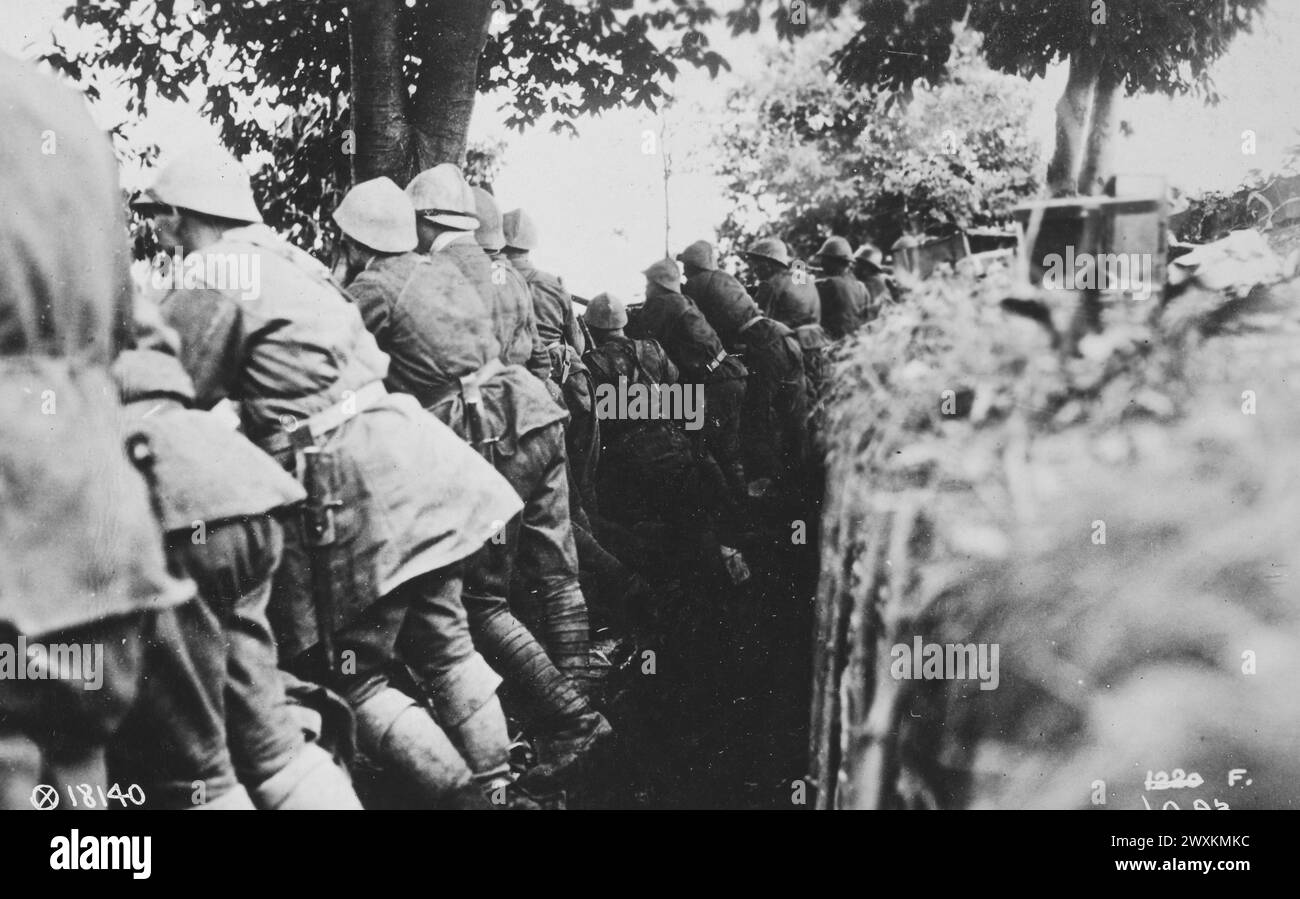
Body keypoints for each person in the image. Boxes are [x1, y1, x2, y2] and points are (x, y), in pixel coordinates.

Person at [133, 149, 525, 808]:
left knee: (350, 674)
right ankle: (504, 793)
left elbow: (175, 396)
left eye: (159, 218)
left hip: (344, 478)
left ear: (180, 215)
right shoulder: (293, 261)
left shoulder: (214, 270)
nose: (156, 232)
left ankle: (465, 801)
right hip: (407, 452)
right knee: (446, 643)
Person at [334, 178, 612, 790]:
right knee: (555, 569)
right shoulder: (496, 269)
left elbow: (330, 349)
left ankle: (568, 720)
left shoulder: (386, 281)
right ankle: (576, 707)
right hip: (535, 413)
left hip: (485, 432)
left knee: (475, 601)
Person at [0, 52, 195, 809]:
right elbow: (122, 318)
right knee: (77, 757)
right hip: (95, 493)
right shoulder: (64, 114)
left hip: (13, 505)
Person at [583, 292, 747, 586]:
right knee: (691, 522)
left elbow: (596, 423)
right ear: (624, 323)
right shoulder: (653, 349)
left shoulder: (593, 363)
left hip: (628, 459)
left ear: (591, 329)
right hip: (673, 444)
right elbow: (678, 394)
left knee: (633, 530)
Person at [678, 239, 808, 495]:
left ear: (694, 266)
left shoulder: (696, 285)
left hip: (765, 346)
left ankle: (762, 488)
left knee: (755, 417)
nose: (684, 272)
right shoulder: (724, 277)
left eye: (686, 266)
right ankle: (799, 483)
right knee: (793, 415)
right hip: (782, 336)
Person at [634, 257, 750, 510]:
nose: (646, 289)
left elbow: (642, 341)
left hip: (713, 385)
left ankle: (723, 517)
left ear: (657, 284)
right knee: (728, 453)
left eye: (648, 284)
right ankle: (744, 512)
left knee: (696, 451)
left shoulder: (662, 304)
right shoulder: (683, 301)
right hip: (729, 375)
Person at [746, 237, 832, 411]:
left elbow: (761, 326)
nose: (754, 269)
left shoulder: (769, 285)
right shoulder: (803, 277)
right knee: (815, 402)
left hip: (791, 350)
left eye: (757, 263)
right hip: (817, 345)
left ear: (769, 263)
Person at [813, 236, 864, 340]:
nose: (822, 263)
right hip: (855, 342)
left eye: (825, 259)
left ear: (835, 261)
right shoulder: (859, 286)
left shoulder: (830, 284)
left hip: (834, 342)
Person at [852, 243, 901, 321]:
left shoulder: (872, 283)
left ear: (866, 268)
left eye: (857, 263)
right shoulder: (879, 280)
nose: (853, 267)